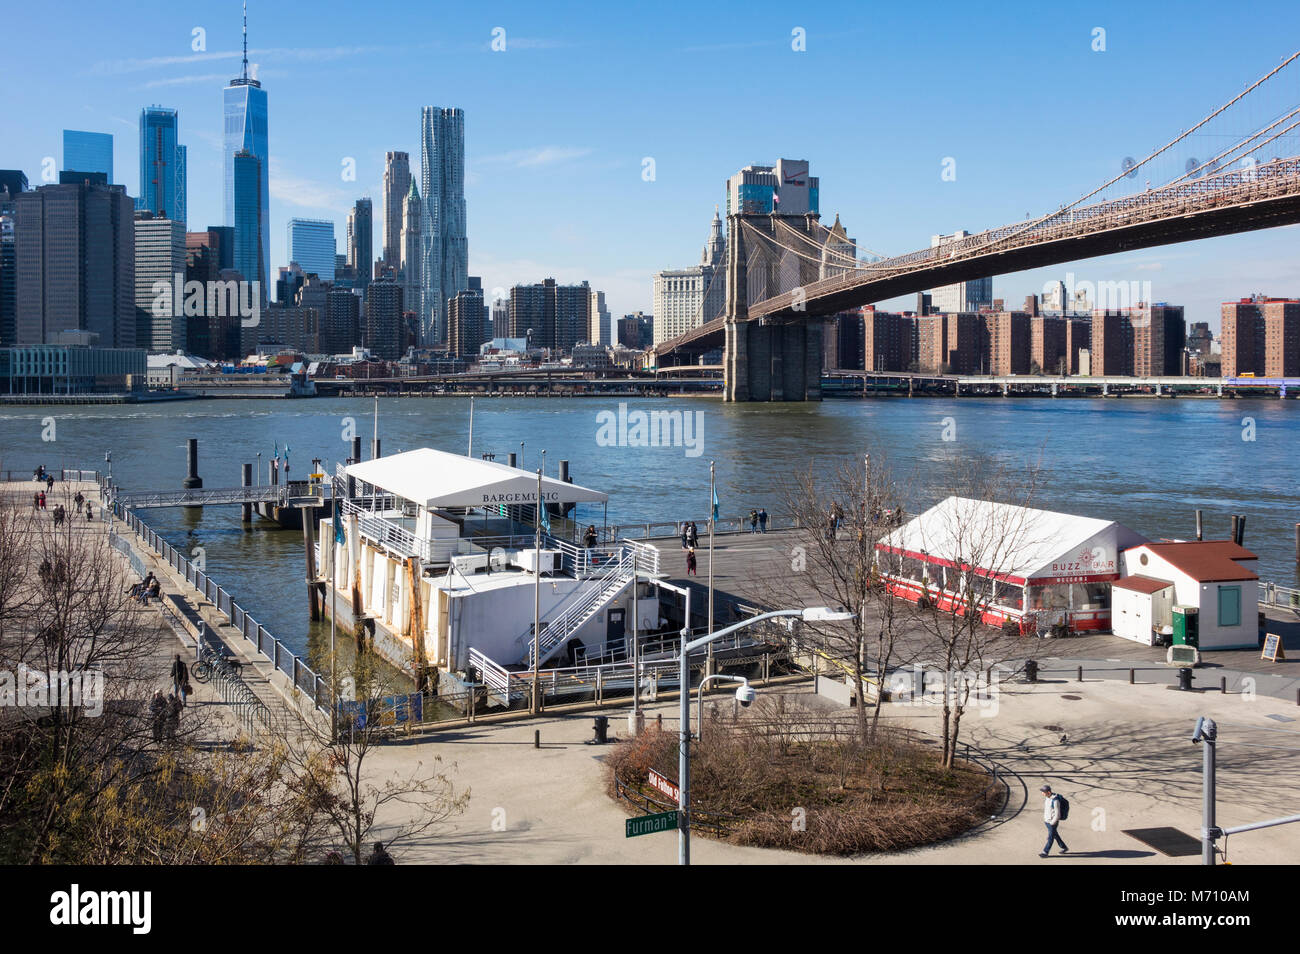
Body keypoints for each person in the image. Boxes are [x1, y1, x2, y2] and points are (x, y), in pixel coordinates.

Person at [1039, 784, 1068, 857]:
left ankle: (1045, 852)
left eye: (1043, 792)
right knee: (1055, 835)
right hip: (1047, 821)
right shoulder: (1047, 798)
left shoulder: (1055, 801)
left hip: (1052, 822)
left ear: (1048, 792)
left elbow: (1057, 814)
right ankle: (1064, 847)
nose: (1042, 793)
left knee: (1050, 838)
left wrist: (1052, 823)